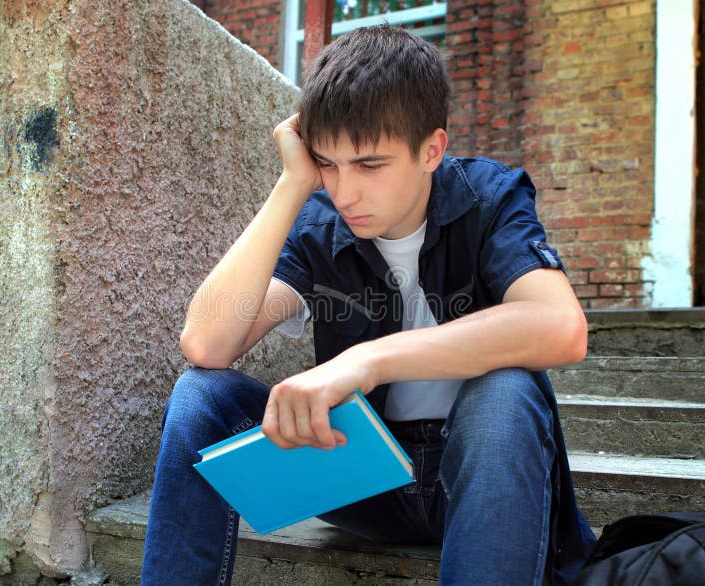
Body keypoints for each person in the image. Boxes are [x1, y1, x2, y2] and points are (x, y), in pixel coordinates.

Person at [141, 24, 596, 585]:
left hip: (483, 474)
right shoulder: (320, 226)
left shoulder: (489, 198)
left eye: (369, 165)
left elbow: (560, 327)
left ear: (431, 149)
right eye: (328, 164)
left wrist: (368, 359)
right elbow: (207, 343)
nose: (344, 192)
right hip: (366, 478)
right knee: (200, 395)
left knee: (506, 390)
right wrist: (292, 184)